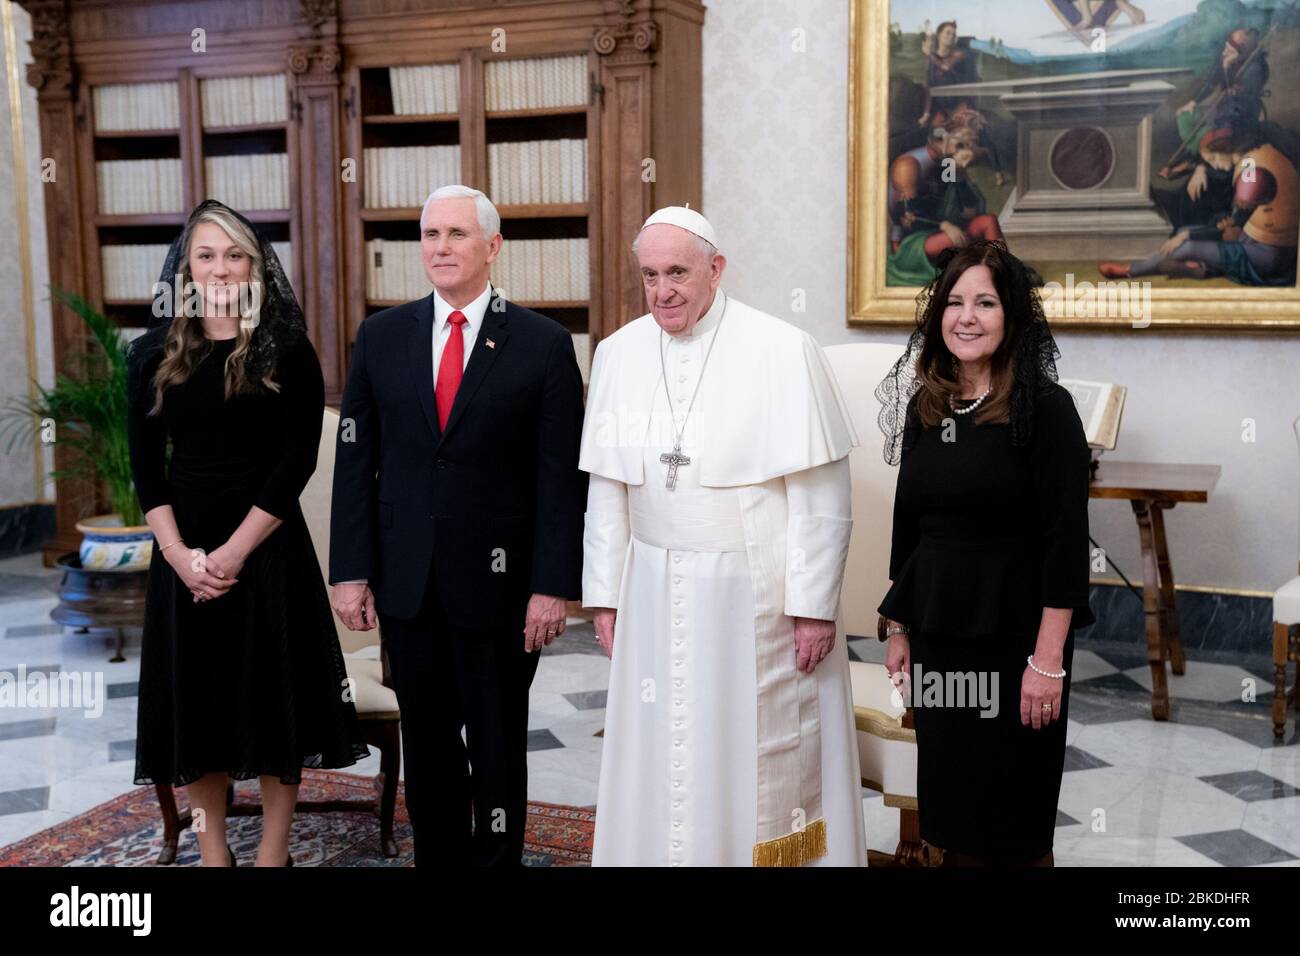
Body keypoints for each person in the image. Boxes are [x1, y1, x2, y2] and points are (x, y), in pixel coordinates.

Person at [581, 206, 867, 866]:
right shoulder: (619, 353)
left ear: (716, 269)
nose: (663, 291)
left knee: (743, 745)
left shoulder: (782, 349)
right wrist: (605, 595)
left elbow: (823, 495)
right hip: (651, 586)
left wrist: (812, 606)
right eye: (650, 275)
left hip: (755, 594)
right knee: (662, 744)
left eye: (678, 272)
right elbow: (607, 488)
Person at [328, 184, 587, 866]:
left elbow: (563, 479)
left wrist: (551, 586)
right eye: (430, 235)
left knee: (498, 749)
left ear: (492, 247)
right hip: (407, 586)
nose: (440, 248)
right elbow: (354, 462)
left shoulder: (544, 344)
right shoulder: (381, 337)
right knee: (430, 746)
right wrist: (350, 570)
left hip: (501, 593)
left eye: (457, 235)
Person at [128, 199, 368, 867]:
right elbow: (146, 471)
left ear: (256, 265)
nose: (221, 267)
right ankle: (212, 852)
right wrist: (180, 557)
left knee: (274, 705)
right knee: (197, 714)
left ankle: (271, 854)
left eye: (235, 254)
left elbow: (298, 460)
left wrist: (232, 553)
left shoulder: (286, 348)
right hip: (186, 559)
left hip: (265, 551)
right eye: (206, 255)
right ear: (186, 267)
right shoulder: (150, 353)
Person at [875, 237, 1094, 866]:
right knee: (950, 814)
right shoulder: (927, 406)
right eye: (954, 301)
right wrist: (899, 628)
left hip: (1018, 641)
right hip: (941, 632)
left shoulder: (1047, 411)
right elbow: (908, 526)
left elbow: (1065, 544)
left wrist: (1047, 661)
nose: (966, 316)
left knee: (1012, 822)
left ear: (1013, 318)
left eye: (986, 303)